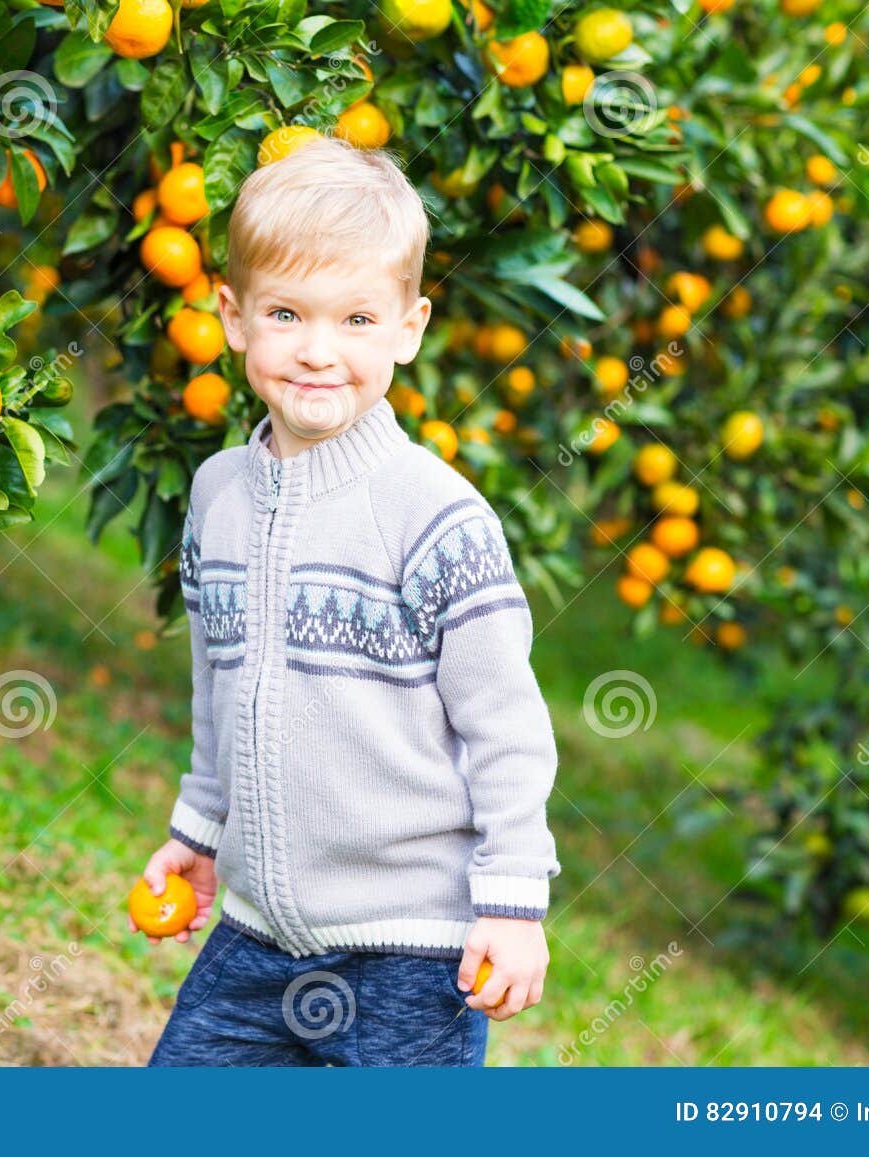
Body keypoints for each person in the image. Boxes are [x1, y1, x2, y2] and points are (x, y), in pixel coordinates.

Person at [131, 136, 562, 1067]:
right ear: (233, 317)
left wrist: (513, 899)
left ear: (409, 328)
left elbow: (507, 729)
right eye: (287, 313)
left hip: (412, 950)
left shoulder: (437, 517)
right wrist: (198, 833)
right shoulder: (217, 494)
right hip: (253, 937)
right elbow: (218, 690)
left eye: (358, 319)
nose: (320, 352)